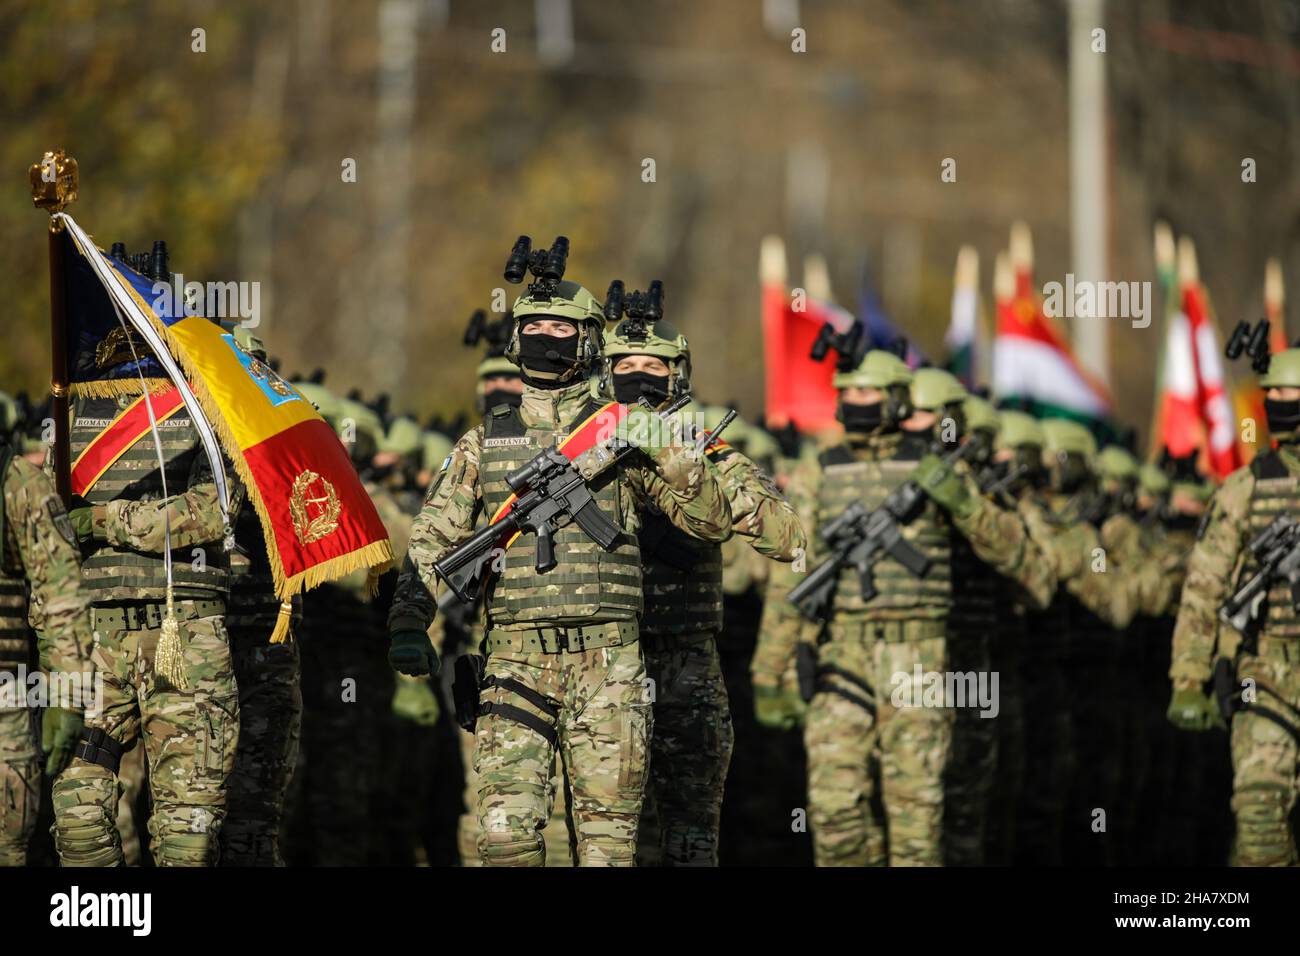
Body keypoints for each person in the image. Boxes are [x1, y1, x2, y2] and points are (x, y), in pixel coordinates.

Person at [388, 266, 731, 866]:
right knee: (505, 844)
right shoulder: (482, 443)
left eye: (561, 327)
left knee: (607, 850)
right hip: (514, 666)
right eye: (536, 326)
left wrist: (667, 448)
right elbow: (430, 540)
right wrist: (410, 622)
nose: (547, 337)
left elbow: (710, 522)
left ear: (590, 340)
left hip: (611, 672)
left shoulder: (624, 431)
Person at [601, 309, 804, 865]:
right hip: (602, 667)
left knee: (690, 837)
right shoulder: (581, 455)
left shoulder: (706, 451)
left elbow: (788, 537)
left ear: (678, 375)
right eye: (624, 365)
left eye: (653, 366)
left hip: (686, 665)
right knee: (613, 841)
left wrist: (677, 460)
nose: (639, 375)